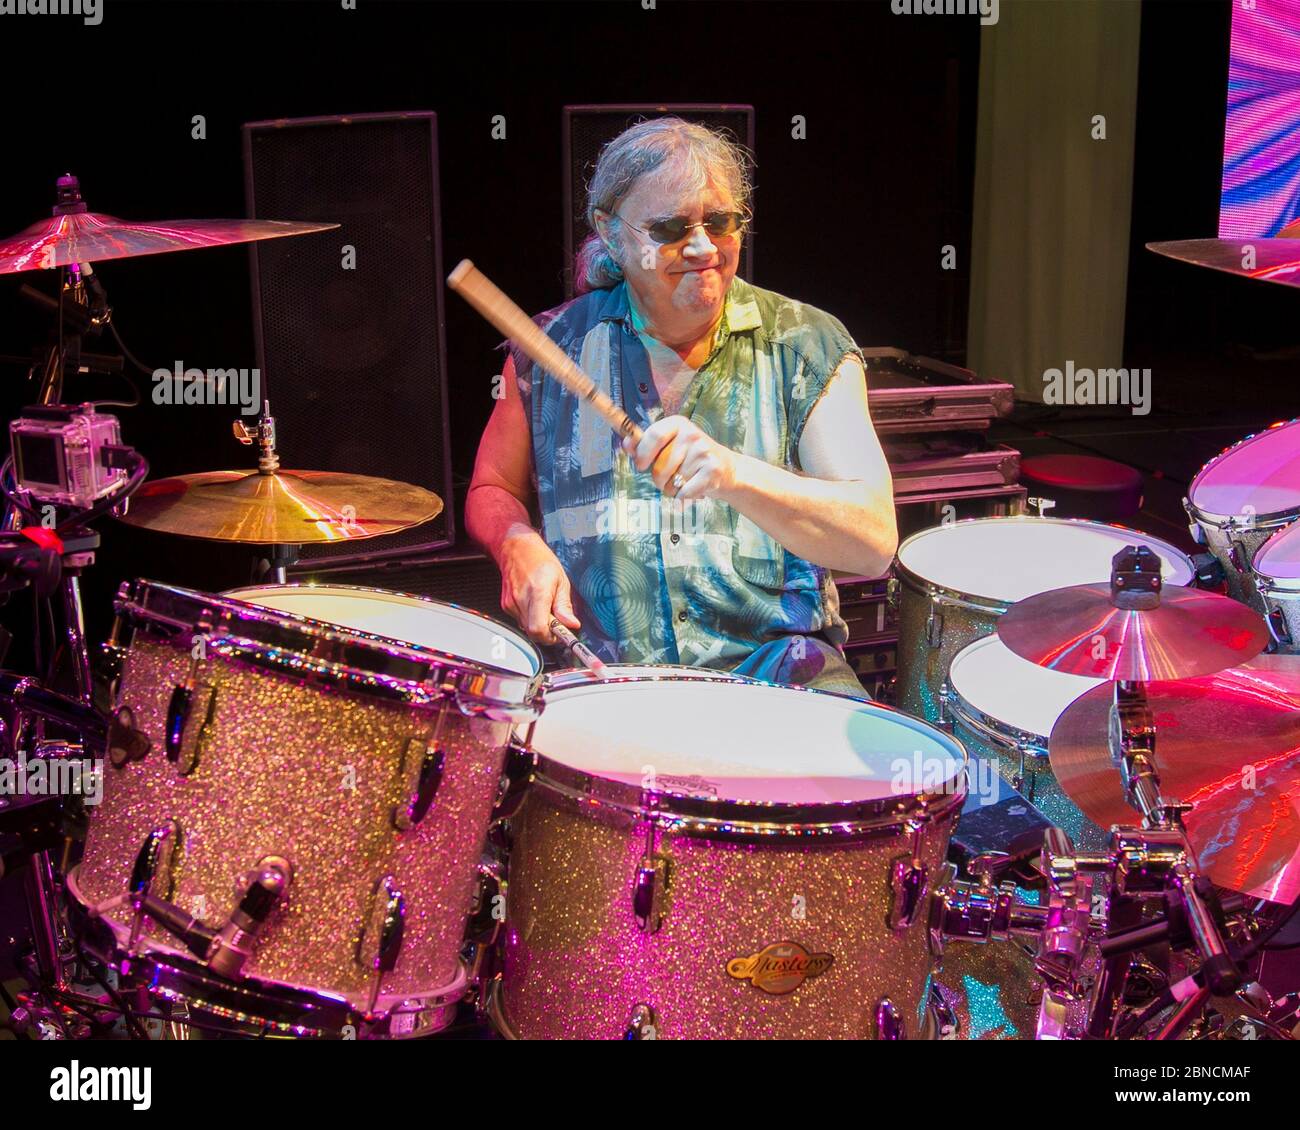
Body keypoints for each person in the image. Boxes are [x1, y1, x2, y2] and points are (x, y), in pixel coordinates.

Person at [465, 117, 896, 696]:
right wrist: (514, 541)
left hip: (777, 674)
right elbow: (491, 487)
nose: (702, 248)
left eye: (719, 222)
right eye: (669, 229)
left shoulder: (805, 346)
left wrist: (735, 475)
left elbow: (872, 543)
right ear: (611, 232)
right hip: (607, 682)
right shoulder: (548, 350)